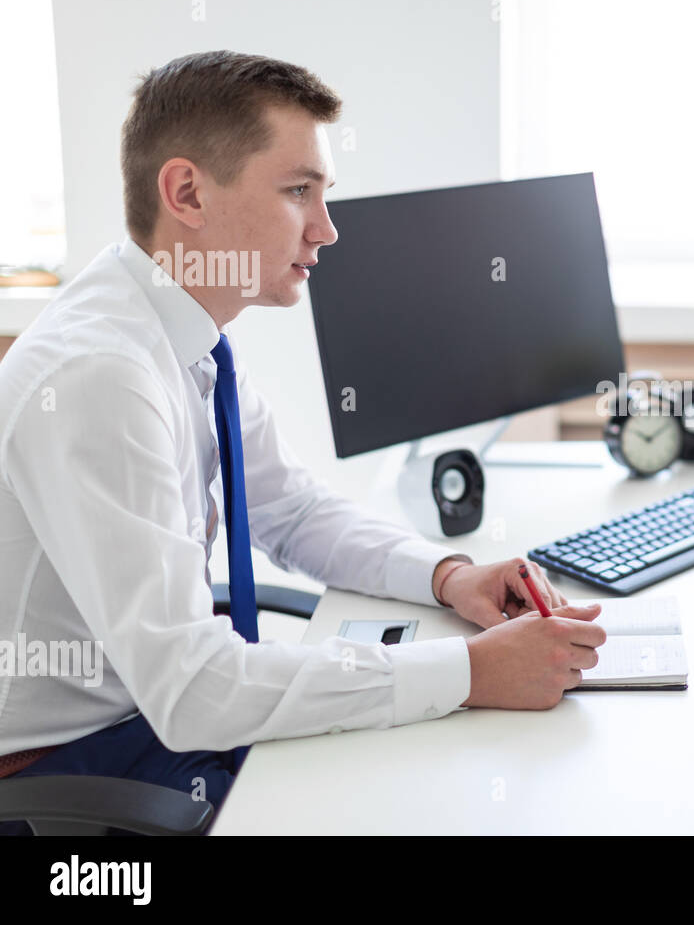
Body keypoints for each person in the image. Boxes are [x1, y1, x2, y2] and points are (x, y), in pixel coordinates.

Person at [0, 51, 605, 831]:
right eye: (297, 192)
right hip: (69, 775)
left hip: (149, 723)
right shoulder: (100, 376)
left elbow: (289, 509)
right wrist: (468, 670)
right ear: (186, 192)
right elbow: (193, 693)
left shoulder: (184, 327)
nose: (327, 228)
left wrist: (450, 576)